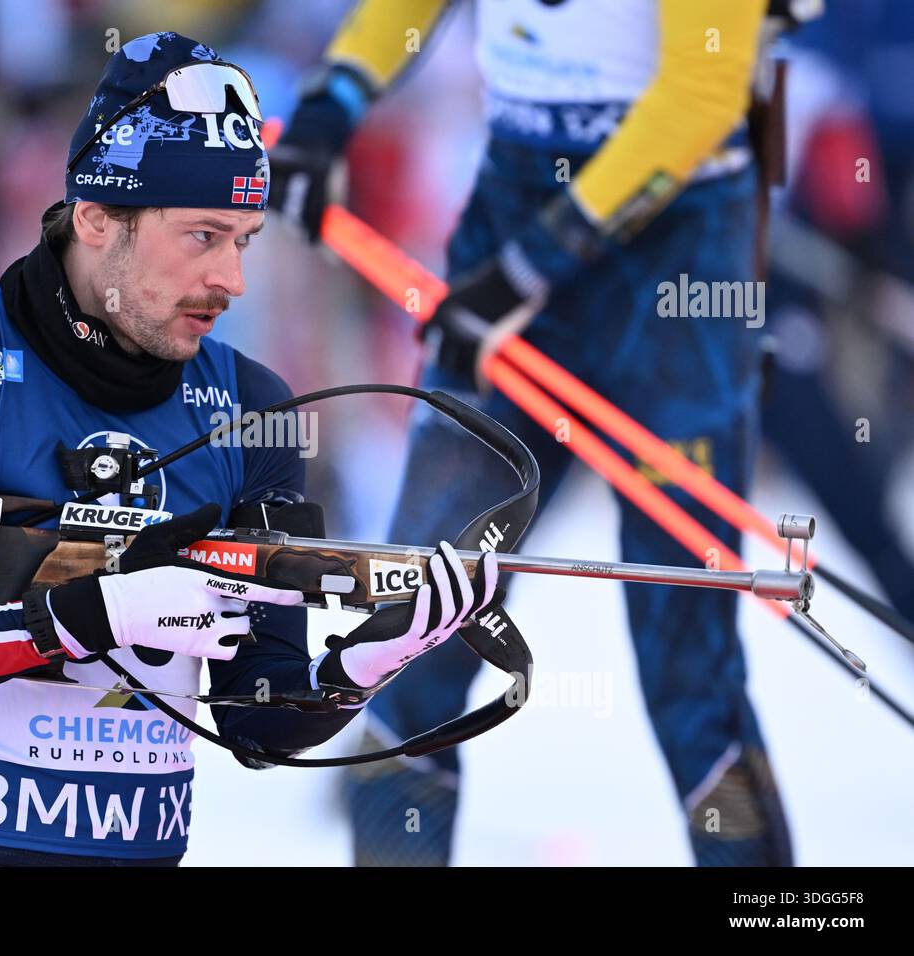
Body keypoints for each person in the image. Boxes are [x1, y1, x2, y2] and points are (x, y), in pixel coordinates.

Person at [0, 30, 499, 867]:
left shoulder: (251, 405)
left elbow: (254, 719)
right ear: (96, 218)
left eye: (245, 239)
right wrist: (83, 617)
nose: (232, 279)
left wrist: (366, 660)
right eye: (203, 235)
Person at [271, 0, 808, 866]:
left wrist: (531, 267)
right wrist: (334, 96)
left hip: (677, 257)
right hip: (517, 204)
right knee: (414, 625)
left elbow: (703, 92)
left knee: (687, 667)